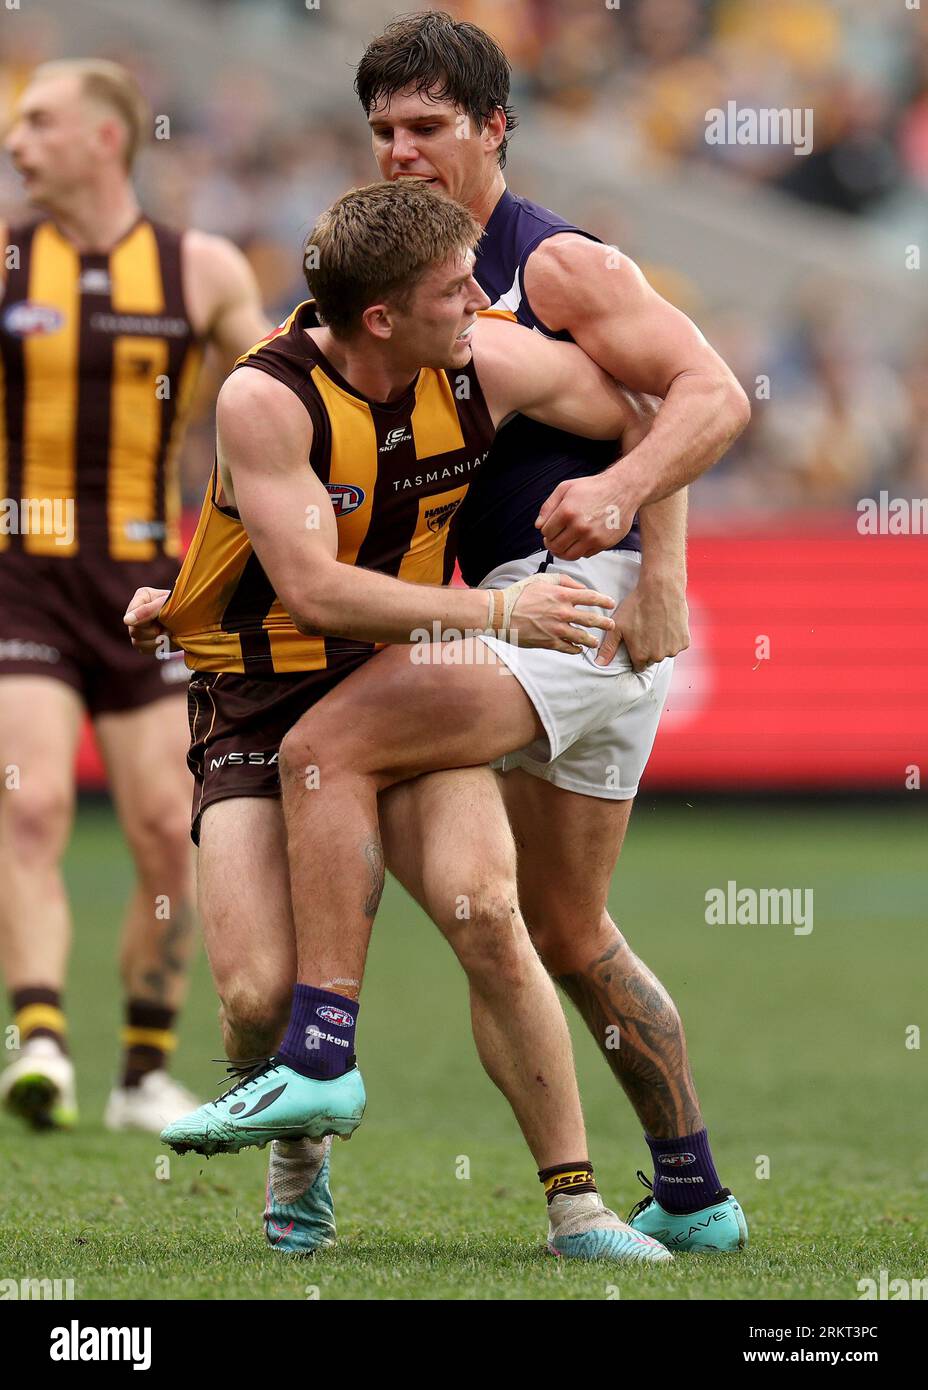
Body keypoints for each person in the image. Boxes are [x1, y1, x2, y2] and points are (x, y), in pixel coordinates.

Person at [209, 11, 752, 1256]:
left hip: (559, 607)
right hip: (543, 614)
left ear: (495, 126)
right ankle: (696, 1190)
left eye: (428, 127)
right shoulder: (392, 274)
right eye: (382, 131)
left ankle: (321, 1052)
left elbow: (702, 393)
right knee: (565, 928)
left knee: (328, 744)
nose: (398, 151)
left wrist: (640, 533)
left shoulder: (547, 264)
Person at [136, 177, 678, 1264]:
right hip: (258, 683)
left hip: (399, 673)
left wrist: (647, 547)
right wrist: (498, 609)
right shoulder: (266, 396)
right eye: (452, 287)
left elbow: (650, 422)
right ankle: (302, 1154)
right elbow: (317, 593)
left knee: (486, 910)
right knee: (251, 995)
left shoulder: (487, 355)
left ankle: (577, 1207)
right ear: (380, 318)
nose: (483, 297)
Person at [0, 59, 269, 1133]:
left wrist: (241, 561)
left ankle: (143, 1070)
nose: (17, 143)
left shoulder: (199, 269)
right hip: (20, 577)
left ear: (107, 138)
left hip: (152, 589)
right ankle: (43, 1044)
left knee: (168, 827)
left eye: (38, 123)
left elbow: (275, 401)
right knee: (30, 807)